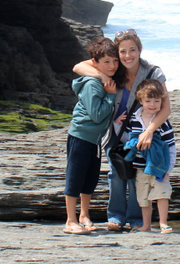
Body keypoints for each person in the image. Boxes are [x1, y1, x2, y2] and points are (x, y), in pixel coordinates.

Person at [73, 28, 170, 232]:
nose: (128, 56)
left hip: (142, 134)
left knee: (137, 176)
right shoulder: (113, 71)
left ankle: (136, 220)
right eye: (122, 52)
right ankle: (116, 216)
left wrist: (150, 130)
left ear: (139, 50)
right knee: (116, 175)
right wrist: (102, 76)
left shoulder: (153, 72)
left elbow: (166, 108)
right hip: (116, 134)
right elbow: (78, 67)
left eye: (132, 50)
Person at [63, 37, 120, 235]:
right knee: (75, 178)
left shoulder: (102, 80)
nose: (112, 66)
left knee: (90, 179)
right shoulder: (92, 84)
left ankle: (84, 215)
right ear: (95, 63)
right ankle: (70, 220)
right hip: (81, 137)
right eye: (107, 62)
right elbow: (96, 115)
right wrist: (111, 96)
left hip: (94, 140)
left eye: (115, 61)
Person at [125, 79, 177, 233]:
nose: (152, 104)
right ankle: (146, 225)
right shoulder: (134, 119)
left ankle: (163, 223)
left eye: (157, 100)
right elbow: (128, 139)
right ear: (140, 100)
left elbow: (171, 147)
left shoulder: (163, 123)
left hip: (160, 166)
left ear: (162, 101)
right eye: (148, 100)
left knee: (162, 194)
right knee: (143, 197)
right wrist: (116, 124)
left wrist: (169, 168)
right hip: (141, 167)